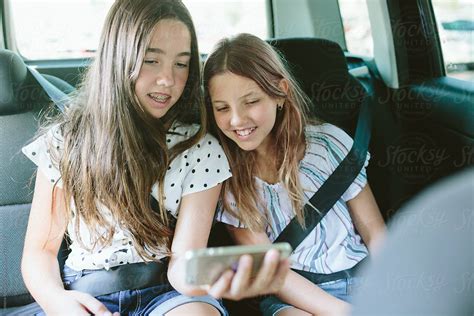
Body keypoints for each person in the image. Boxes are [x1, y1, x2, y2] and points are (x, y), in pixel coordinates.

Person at [20, 3, 288, 315]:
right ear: (118, 57)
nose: (167, 79)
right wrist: (58, 301)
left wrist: (217, 279)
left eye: (181, 64)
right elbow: (40, 251)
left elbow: (183, 264)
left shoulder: (199, 149)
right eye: (151, 60)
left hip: (166, 295)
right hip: (84, 292)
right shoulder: (67, 141)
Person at [203, 33, 386, 316]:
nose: (237, 119)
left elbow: (375, 233)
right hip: (293, 293)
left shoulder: (329, 144)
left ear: (280, 93)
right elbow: (273, 270)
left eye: (251, 101)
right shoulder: (226, 176)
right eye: (222, 108)